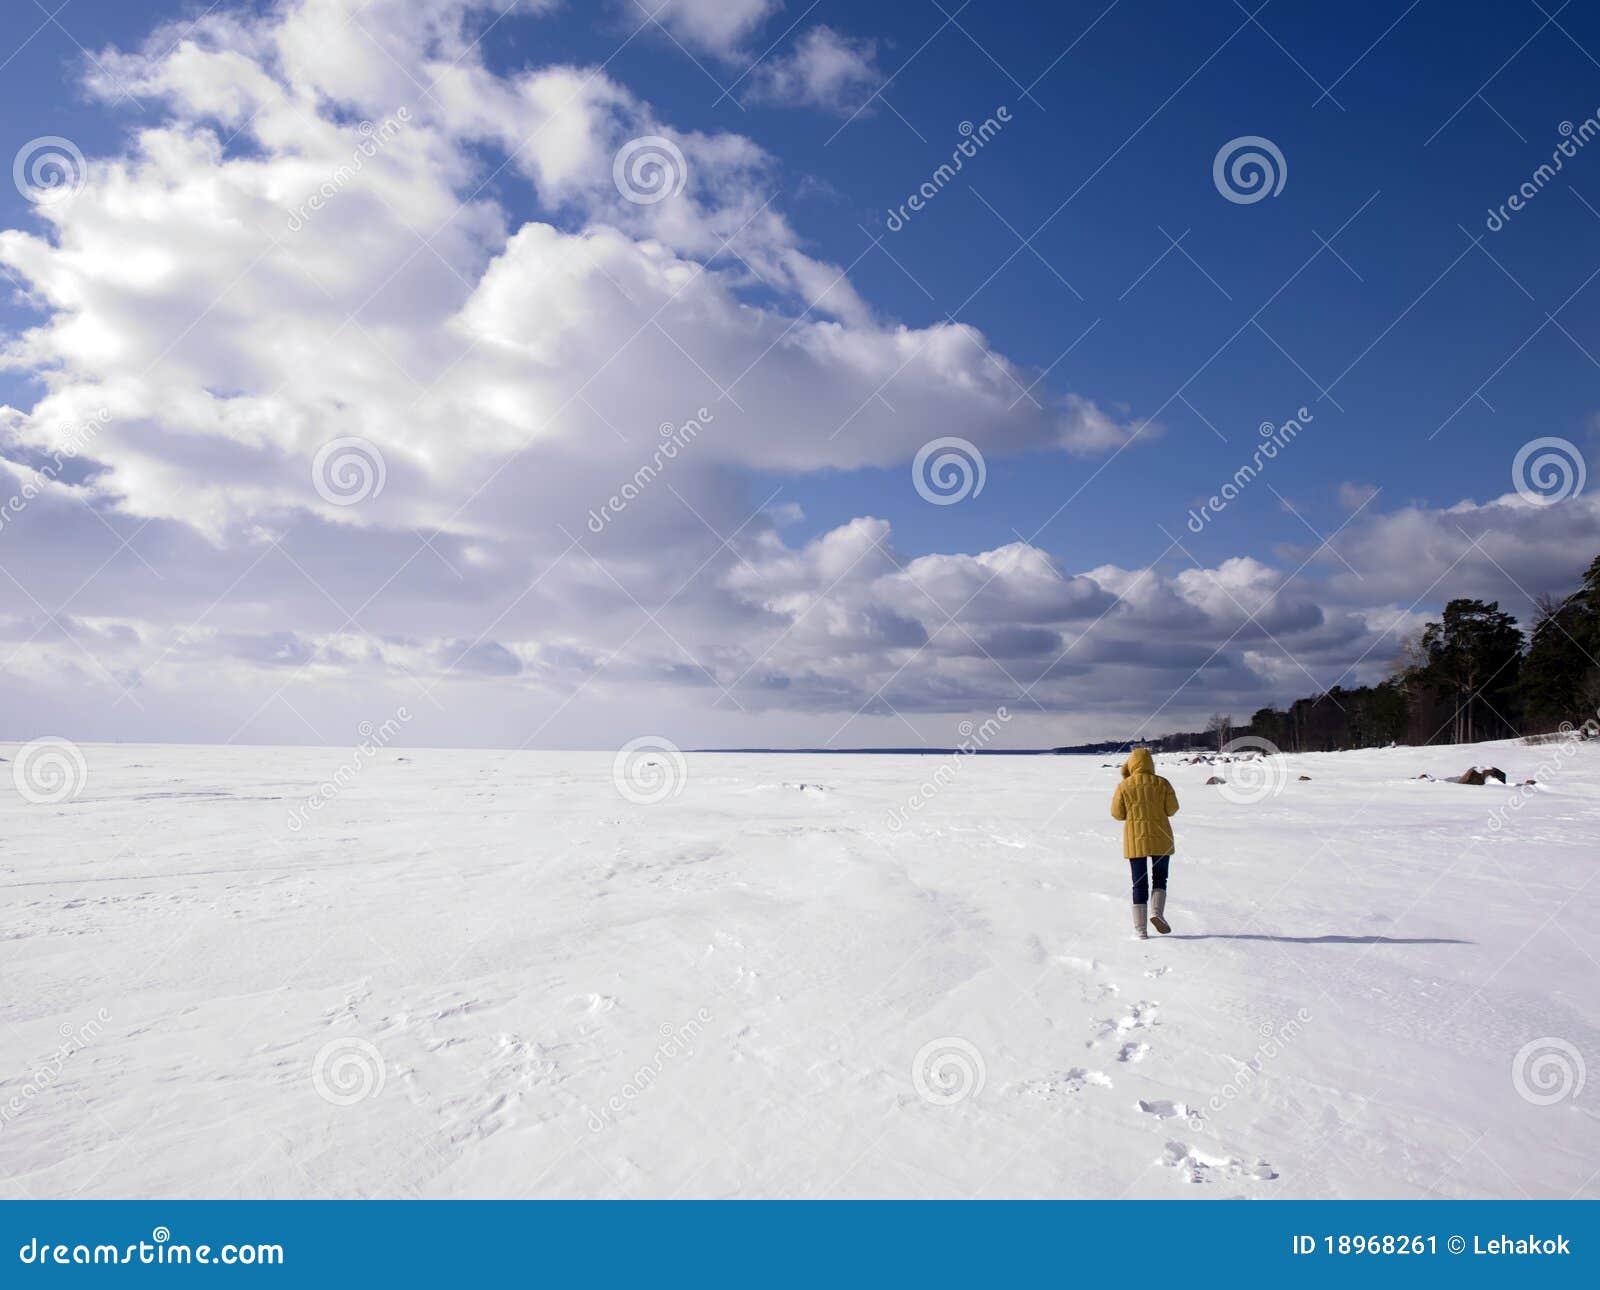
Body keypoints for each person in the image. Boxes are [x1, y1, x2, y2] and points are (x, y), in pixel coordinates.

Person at [1109, 746, 1179, 940]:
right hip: (1161, 837)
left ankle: (1140, 929)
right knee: (1160, 879)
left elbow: (1117, 814)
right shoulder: (1162, 783)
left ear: (1131, 764)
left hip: (1135, 840)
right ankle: (1157, 913)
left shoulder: (1124, 786)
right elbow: (1172, 809)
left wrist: (1126, 779)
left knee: (1138, 883)